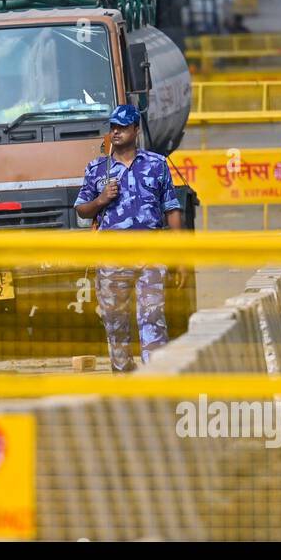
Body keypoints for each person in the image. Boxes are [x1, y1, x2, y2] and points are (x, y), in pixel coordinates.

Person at [74, 105, 183, 373]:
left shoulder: (156, 164)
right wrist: (101, 199)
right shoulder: (97, 169)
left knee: (152, 317)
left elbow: (171, 209)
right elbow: (81, 209)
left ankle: (154, 377)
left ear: (136, 130)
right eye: (113, 127)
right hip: (112, 256)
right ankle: (123, 375)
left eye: (123, 127)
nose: (116, 132)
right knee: (115, 321)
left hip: (151, 253)